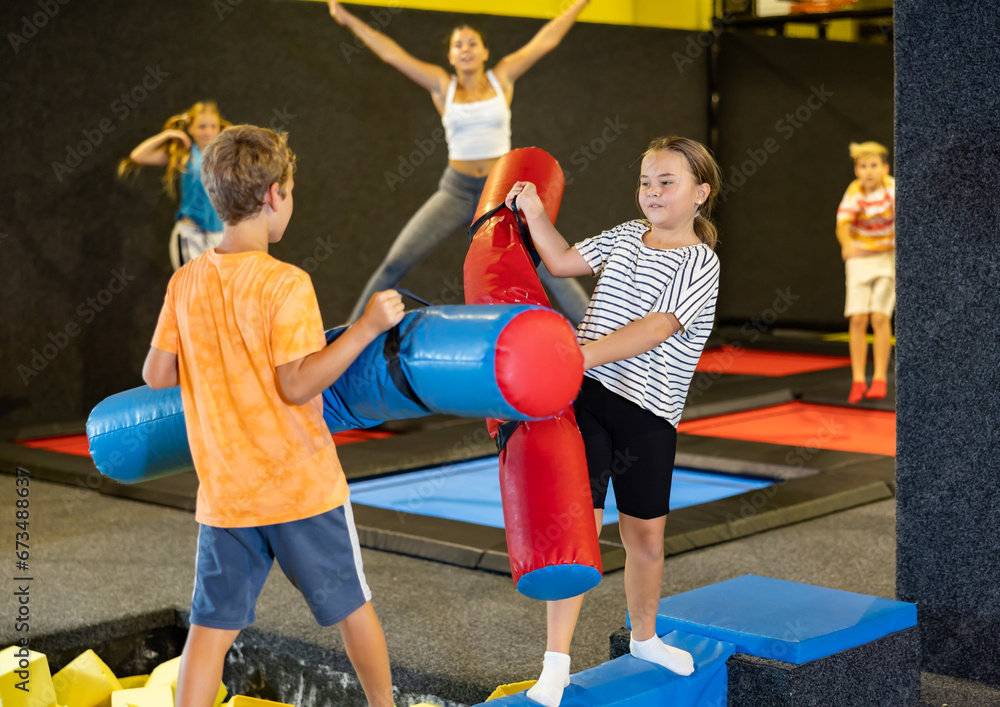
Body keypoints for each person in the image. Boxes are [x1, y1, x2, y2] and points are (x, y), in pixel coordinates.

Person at [142, 124, 401, 707]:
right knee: (352, 608)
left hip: (227, 495)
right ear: (274, 195)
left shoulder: (185, 282)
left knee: (209, 632)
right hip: (299, 488)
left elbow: (156, 374)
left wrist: (218, 362)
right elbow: (296, 383)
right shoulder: (286, 282)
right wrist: (367, 327)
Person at [505, 136, 722, 707]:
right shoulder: (626, 235)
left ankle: (644, 637)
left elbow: (656, 328)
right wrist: (531, 210)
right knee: (580, 527)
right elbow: (560, 261)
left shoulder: (701, 261)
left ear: (700, 194)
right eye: (647, 182)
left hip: (648, 412)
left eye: (666, 182)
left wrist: (577, 355)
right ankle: (555, 662)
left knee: (644, 535)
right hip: (588, 397)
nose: (652, 192)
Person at [327, 0, 592, 323]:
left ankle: (599, 339)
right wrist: (346, 19)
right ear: (451, 56)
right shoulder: (443, 85)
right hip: (456, 190)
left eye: (472, 43)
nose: (465, 49)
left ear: (484, 52)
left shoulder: (502, 78)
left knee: (551, 265)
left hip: (500, 195)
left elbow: (546, 40)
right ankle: (348, 336)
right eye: (457, 45)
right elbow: (391, 54)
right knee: (396, 262)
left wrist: (579, 4)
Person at [119, 101, 230, 270]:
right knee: (191, 290)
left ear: (219, 128)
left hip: (219, 234)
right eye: (201, 126)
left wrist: (235, 133)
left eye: (213, 126)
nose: (208, 131)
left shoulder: (227, 156)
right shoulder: (184, 155)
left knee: (219, 290)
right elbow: (137, 156)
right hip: (190, 233)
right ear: (191, 128)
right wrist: (167, 135)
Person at [835, 141, 895, 404]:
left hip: (886, 257)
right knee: (858, 318)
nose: (868, 171)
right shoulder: (854, 191)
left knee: (880, 318)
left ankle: (880, 376)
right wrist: (847, 244)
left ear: (884, 168)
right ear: (856, 170)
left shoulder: (892, 189)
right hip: (861, 256)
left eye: (874, 166)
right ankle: (858, 378)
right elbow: (843, 225)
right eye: (863, 166)